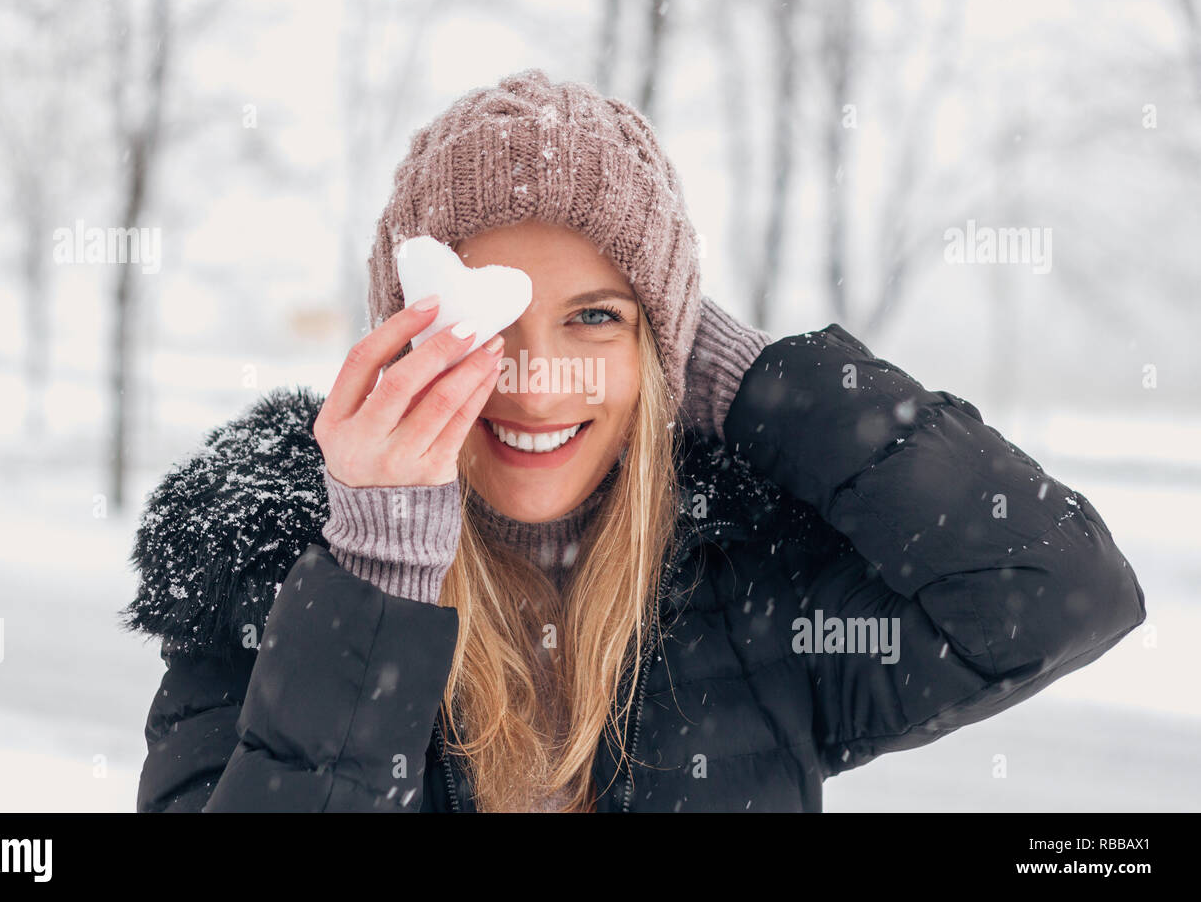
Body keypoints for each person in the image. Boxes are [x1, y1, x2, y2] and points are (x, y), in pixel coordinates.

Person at [121, 68, 1146, 813]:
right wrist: (379, 571)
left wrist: (751, 382)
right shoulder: (266, 593)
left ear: (671, 354)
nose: (536, 377)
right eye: (485, 324)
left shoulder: (750, 596)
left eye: (595, 318)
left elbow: (1056, 590)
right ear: (405, 337)